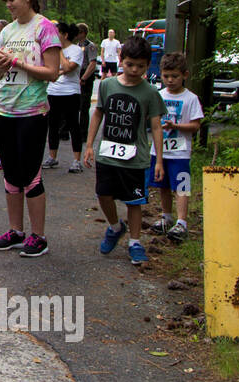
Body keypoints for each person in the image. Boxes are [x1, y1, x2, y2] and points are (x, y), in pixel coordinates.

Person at [0, 0, 61, 258]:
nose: (9, 6)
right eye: (6, 1)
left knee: (31, 174)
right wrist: (1, 68)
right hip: (3, 109)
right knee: (10, 173)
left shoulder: (45, 29)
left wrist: (18, 62)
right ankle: (16, 231)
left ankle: (38, 236)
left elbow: (52, 72)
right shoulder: (6, 32)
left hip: (32, 112)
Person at [83, 35, 165, 266]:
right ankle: (115, 227)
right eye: (130, 64)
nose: (134, 70)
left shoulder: (149, 92)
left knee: (134, 201)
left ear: (148, 65)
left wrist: (158, 159)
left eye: (141, 66)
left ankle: (135, 242)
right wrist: (89, 145)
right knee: (103, 193)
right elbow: (98, 112)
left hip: (135, 157)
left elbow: (156, 126)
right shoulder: (108, 84)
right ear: (121, 59)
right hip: (108, 152)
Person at [148, 52, 203, 243]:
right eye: (166, 76)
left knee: (181, 185)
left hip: (180, 151)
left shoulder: (191, 99)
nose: (170, 80)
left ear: (185, 75)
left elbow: (196, 125)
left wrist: (176, 126)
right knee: (162, 185)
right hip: (159, 150)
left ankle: (182, 221)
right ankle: (166, 216)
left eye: (175, 76)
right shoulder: (157, 95)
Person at [43, 21, 84, 172]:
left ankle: (76, 160)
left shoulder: (76, 50)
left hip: (70, 92)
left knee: (73, 125)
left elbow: (67, 67)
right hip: (53, 91)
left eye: (57, 34)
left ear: (65, 35)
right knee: (52, 125)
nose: (53, 37)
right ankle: (52, 157)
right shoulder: (50, 50)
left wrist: (59, 50)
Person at [76, 23, 99, 144]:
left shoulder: (90, 46)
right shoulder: (76, 45)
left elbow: (92, 63)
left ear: (83, 33)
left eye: (78, 32)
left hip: (86, 76)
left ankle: (83, 133)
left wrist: (84, 78)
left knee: (84, 107)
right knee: (76, 105)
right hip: (77, 73)